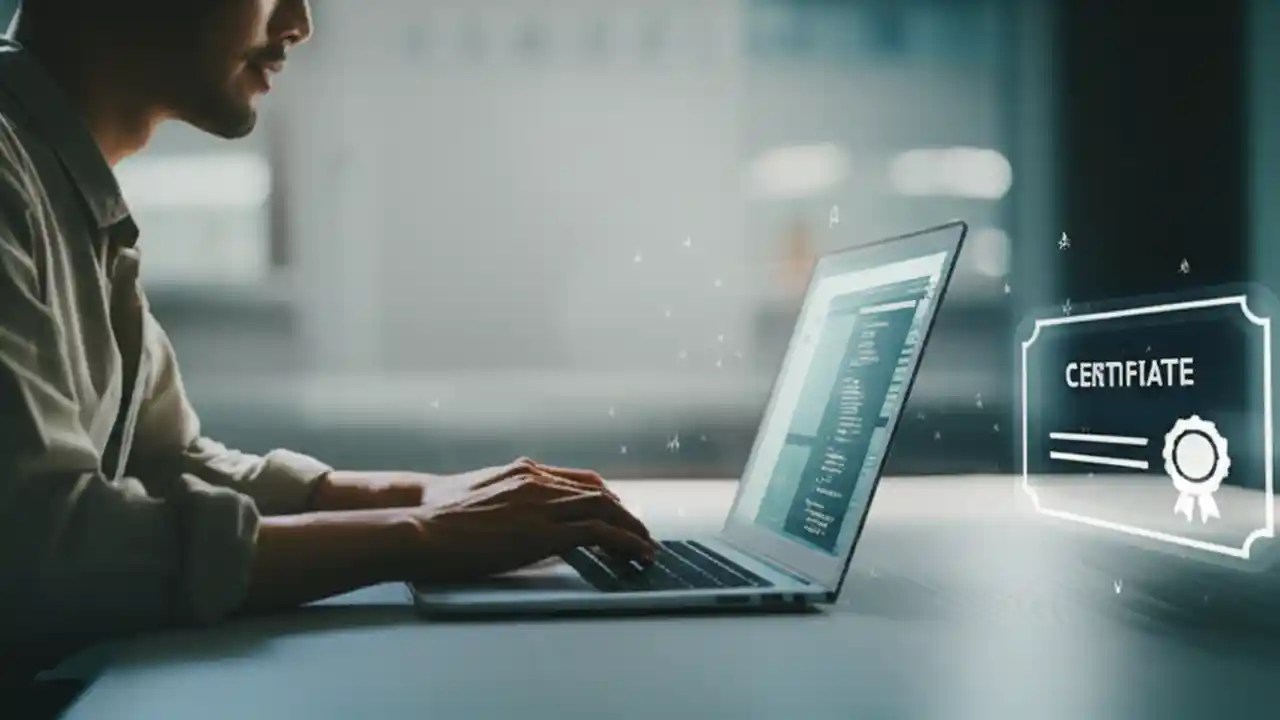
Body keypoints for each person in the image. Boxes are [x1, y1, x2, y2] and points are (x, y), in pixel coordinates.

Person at [0, 0, 656, 665]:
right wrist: (420, 535)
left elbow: (163, 463)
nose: (298, 23)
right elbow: (48, 548)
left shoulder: (57, 180)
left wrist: (425, 496)